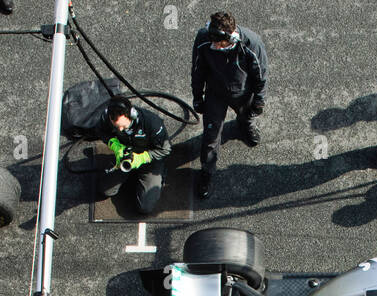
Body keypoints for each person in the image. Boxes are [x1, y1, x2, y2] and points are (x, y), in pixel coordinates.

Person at [191, 11, 268, 200]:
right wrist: (197, 96)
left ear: (232, 36)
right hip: (215, 93)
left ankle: (244, 125)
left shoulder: (251, 43)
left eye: (220, 43)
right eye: (213, 42)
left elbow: (261, 73)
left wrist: (259, 99)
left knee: (247, 115)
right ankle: (207, 172)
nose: (215, 46)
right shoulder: (204, 39)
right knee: (210, 137)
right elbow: (197, 69)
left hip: (243, 92)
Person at [96, 97, 172, 216]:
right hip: (126, 155)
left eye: (123, 127)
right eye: (117, 127)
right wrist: (115, 146)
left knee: (145, 207)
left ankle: (160, 175)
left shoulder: (152, 123)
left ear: (131, 115)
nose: (120, 130)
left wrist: (142, 158)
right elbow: (102, 132)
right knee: (105, 190)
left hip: (149, 160)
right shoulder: (106, 118)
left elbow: (165, 150)